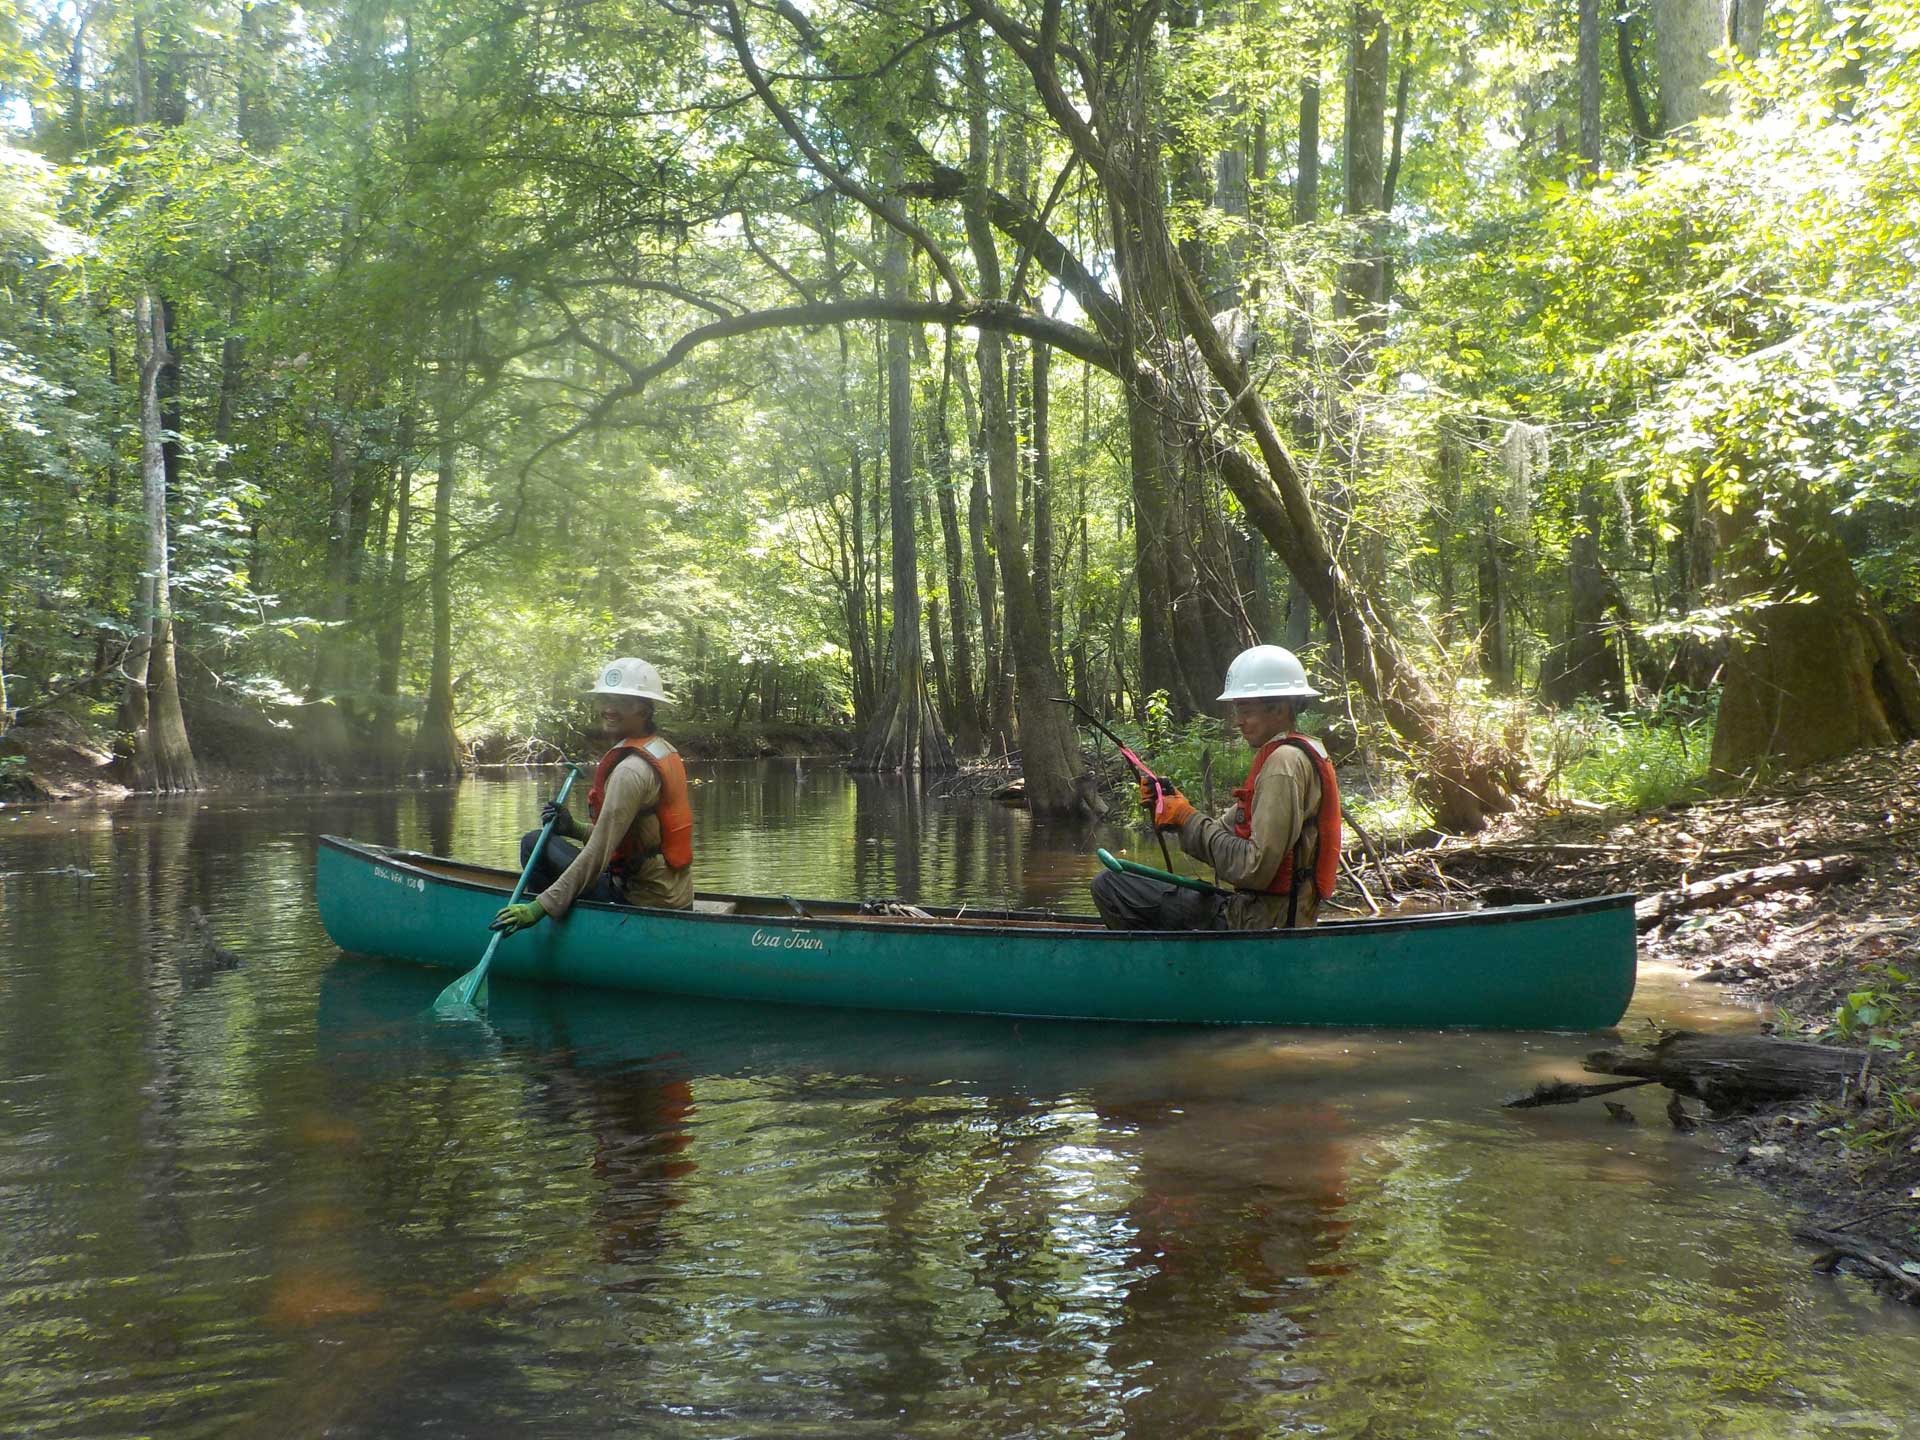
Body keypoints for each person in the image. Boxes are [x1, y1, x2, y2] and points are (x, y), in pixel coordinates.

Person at [1091, 644, 1340, 932]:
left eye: (1246, 710)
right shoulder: (1298, 752)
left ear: (1281, 708)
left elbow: (1254, 868)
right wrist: (1176, 811)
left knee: (1110, 886)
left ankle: (1159, 972)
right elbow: (1223, 832)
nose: (1238, 720)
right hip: (1261, 915)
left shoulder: (1283, 764)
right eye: (1237, 710)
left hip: (1258, 924)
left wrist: (1186, 818)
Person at [492, 656, 694, 934]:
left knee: (532, 844)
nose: (610, 709)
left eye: (623, 702)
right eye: (606, 699)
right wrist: (572, 828)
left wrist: (538, 907)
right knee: (539, 840)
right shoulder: (662, 749)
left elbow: (599, 853)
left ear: (645, 710)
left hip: (641, 901)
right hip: (673, 897)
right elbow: (623, 839)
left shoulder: (630, 772)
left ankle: (549, 929)